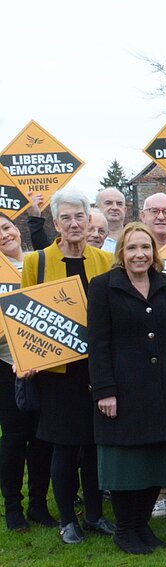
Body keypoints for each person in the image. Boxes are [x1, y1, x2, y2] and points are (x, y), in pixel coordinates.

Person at [89, 224, 166, 554]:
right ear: (121, 252)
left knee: (156, 460)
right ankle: (125, 530)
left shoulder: (164, 284)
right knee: (126, 465)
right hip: (122, 389)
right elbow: (98, 343)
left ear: (154, 252)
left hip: (161, 386)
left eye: (145, 248)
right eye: (132, 248)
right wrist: (104, 390)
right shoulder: (103, 286)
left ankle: (141, 525)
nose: (140, 254)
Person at [22, 189, 116, 544]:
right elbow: (26, 317)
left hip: (97, 368)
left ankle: (93, 515)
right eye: (66, 218)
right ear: (55, 222)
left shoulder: (104, 260)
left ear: (89, 220)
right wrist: (27, 359)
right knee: (64, 445)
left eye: (80, 217)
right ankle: (66, 520)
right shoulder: (37, 262)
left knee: (94, 444)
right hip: (57, 372)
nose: (74, 224)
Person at [0, 214, 53, 531]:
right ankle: (12, 508)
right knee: (15, 437)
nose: (4, 234)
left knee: (42, 436)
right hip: (6, 364)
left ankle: (38, 505)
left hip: (43, 362)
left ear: (16, 229)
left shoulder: (37, 262)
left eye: (6, 227)